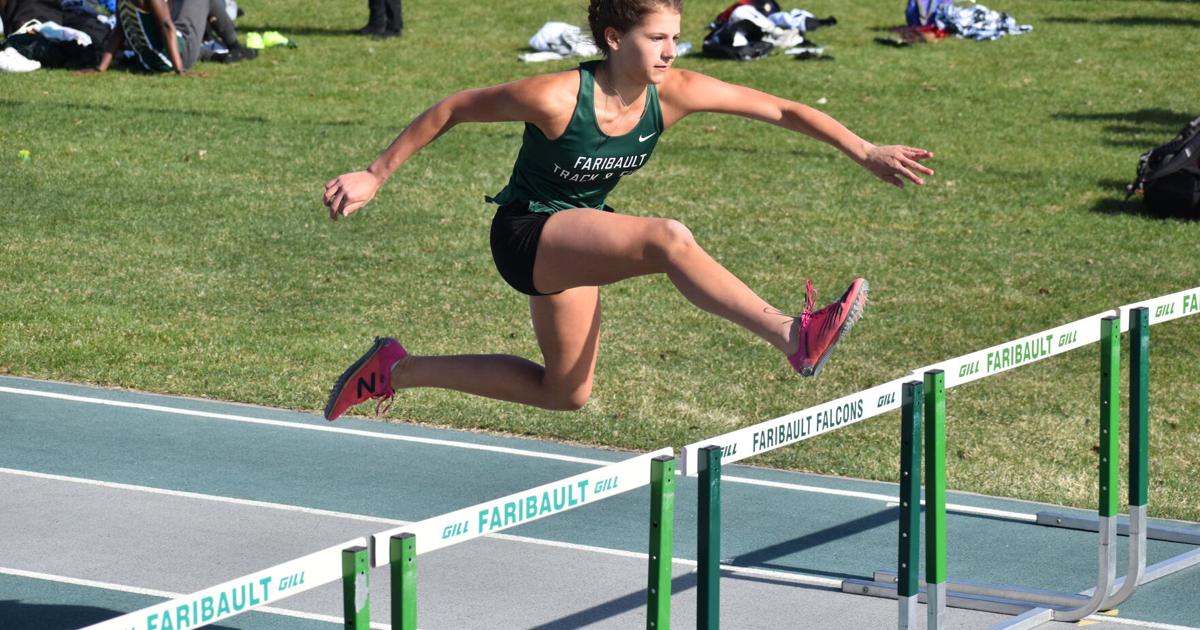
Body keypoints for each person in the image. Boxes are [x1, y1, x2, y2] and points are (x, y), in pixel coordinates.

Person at [321, 0, 934, 421]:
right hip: (527, 234)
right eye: (657, 38)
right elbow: (453, 107)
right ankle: (794, 336)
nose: (671, 50)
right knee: (668, 239)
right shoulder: (557, 96)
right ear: (615, 40)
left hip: (578, 238)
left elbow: (781, 109)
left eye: (675, 36)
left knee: (565, 392)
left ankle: (395, 370)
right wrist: (374, 175)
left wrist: (864, 150)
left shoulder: (677, 92)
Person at [87, 0, 254, 75]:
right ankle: (235, 47)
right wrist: (180, 70)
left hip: (148, 62)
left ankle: (212, 54)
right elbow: (167, 26)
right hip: (173, 58)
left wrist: (101, 68)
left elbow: (120, 28)